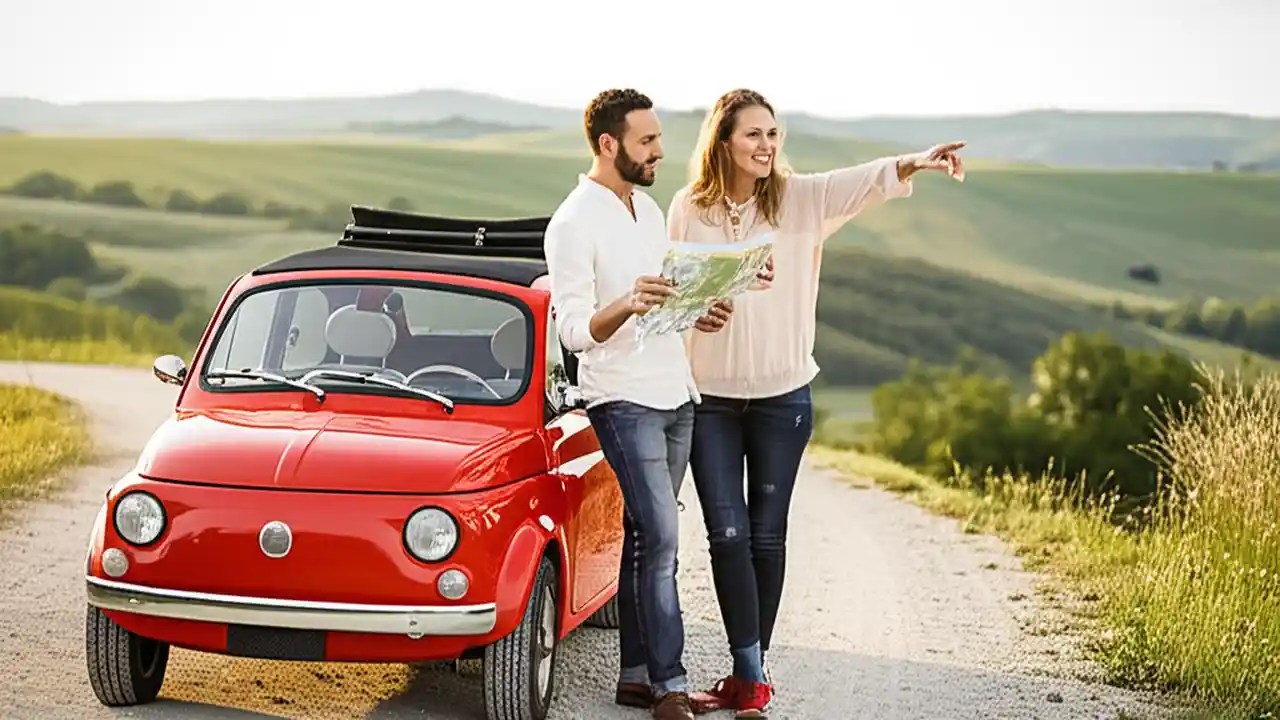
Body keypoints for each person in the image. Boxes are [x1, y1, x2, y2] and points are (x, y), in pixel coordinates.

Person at [666, 88, 966, 717]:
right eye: (753, 135)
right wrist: (703, 310)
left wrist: (920, 159)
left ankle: (749, 675)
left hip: (782, 400)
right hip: (712, 400)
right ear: (723, 141)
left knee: (766, 538)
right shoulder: (689, 208)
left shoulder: (800, 200)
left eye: (773, 134)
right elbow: (674, 295)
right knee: (727, 535)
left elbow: (867, 181)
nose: (767, 146)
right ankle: (750, 676)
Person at [543, 88, 733, 720]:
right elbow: (573, 332)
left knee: (642, 538)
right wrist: (626, 300)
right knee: (663, 536)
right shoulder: (572, 222)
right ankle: (671, 685)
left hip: (676, 392)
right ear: (608, 145)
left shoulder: (648, 211)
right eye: (646, 141)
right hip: (621, 398)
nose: (659, 150)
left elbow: (662, 306)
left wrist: (697, 311)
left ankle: (634, 675)